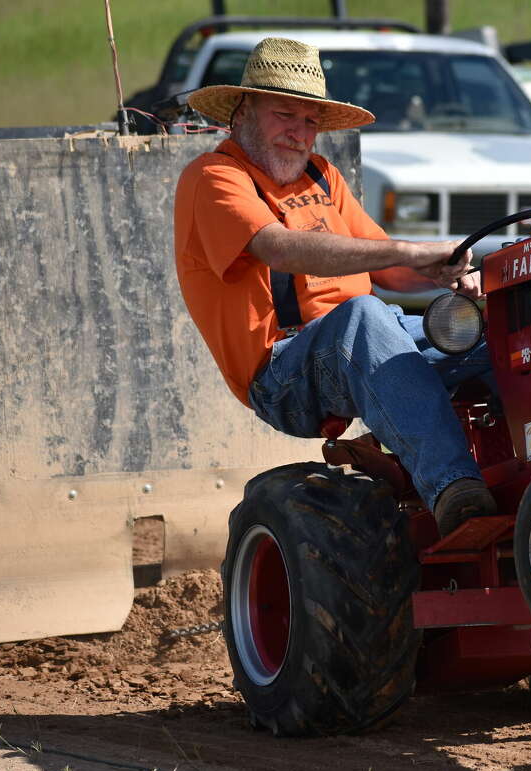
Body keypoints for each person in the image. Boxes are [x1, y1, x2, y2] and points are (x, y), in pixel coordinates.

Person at [173, 37, 497, 535]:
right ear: (242, 112)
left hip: (371, 335)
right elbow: (279, 248)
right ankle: (456, 490)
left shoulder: (322, 176)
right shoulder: (214, 177)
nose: (299, 133)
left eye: (310, 122)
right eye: (284, 114)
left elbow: (390, 271)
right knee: (364, 318)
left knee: (503, 335)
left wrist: (442, 270)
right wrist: (409, 251)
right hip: (284, 371)